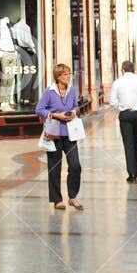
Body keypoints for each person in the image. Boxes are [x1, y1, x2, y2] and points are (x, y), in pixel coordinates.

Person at [36, 62, 83, 211]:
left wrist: (74, 112)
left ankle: (73, 196)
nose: (68, 77)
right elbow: (39, 109)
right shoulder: (49, 92)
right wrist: (56, 115)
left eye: (69, 74)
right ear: (58, 77)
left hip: (70, 134)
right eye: (65, 74)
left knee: (75, 166)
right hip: (54, 134)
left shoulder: (72, 90)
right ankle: (57, 200)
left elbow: (76, 106)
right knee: (55, 168)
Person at [109, 59, 137, 182]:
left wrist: (121, 108)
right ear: (133, 69)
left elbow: (112, 101)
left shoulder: (117, 82)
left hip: (125, 115)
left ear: (122, 70)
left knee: (128, 144)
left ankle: (132, 173)